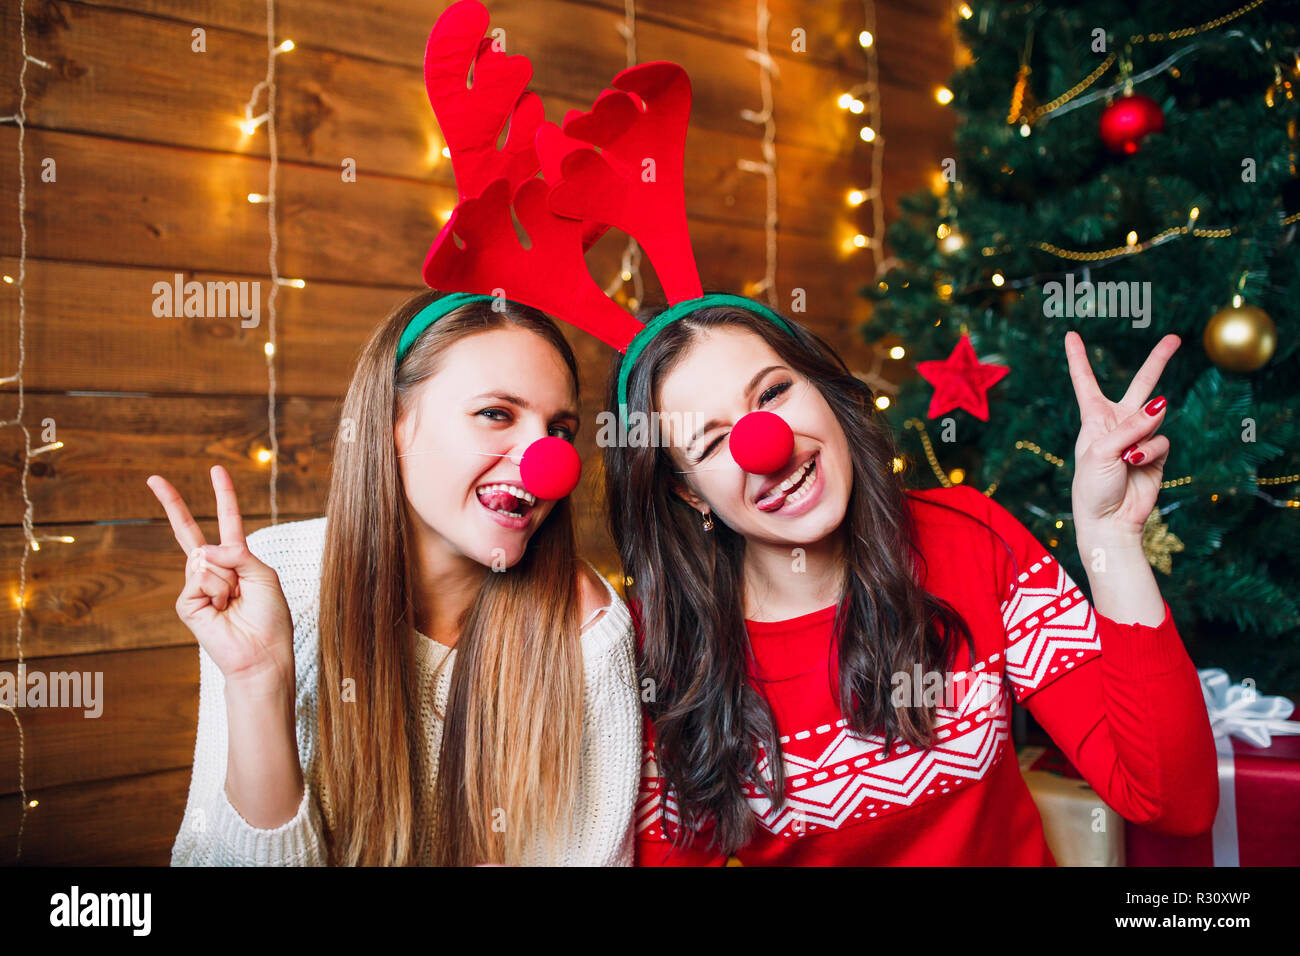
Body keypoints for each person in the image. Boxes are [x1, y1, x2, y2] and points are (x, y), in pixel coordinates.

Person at [605, 296, 1218, 865]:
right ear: (688, 492)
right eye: (712, 444)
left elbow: (1173, 804)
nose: (765, 445)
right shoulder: (664, 645)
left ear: (822, 389)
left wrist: (1111, 539)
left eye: (772, 394)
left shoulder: (972, 535)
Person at [154, 290, 639, 866]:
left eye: (560, 430)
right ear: (391, 425)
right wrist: (258, 682)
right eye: (496, 414)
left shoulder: (588, 632)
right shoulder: (273, 582)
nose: (547, 463)